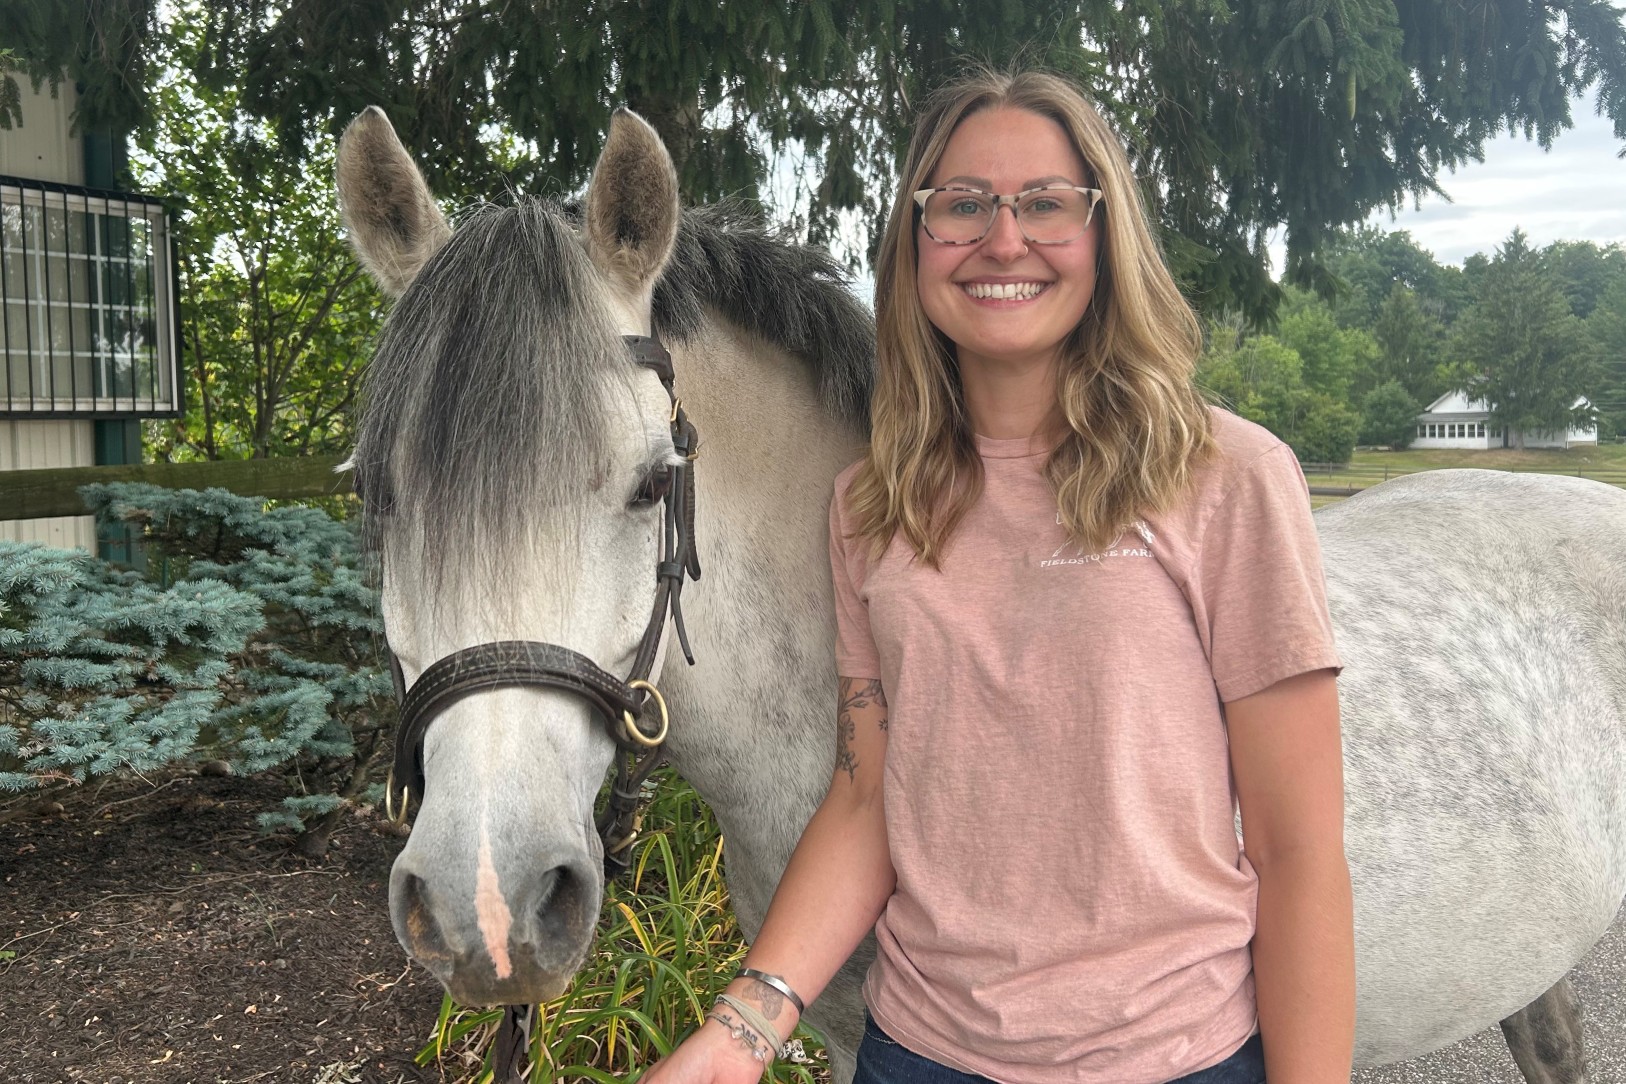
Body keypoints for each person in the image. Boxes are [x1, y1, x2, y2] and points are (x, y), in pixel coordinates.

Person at [642, 68, 1353, 1084]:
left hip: (1174, 1059)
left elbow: (1299, 853)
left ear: (1104, 237)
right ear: (916, 241)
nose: (1004, 239)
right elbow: (866, 797)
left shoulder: (1227, 478)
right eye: (963, 204)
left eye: (1047, 204)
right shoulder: (869, 507)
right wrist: (743, 1026)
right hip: (920, 1058)